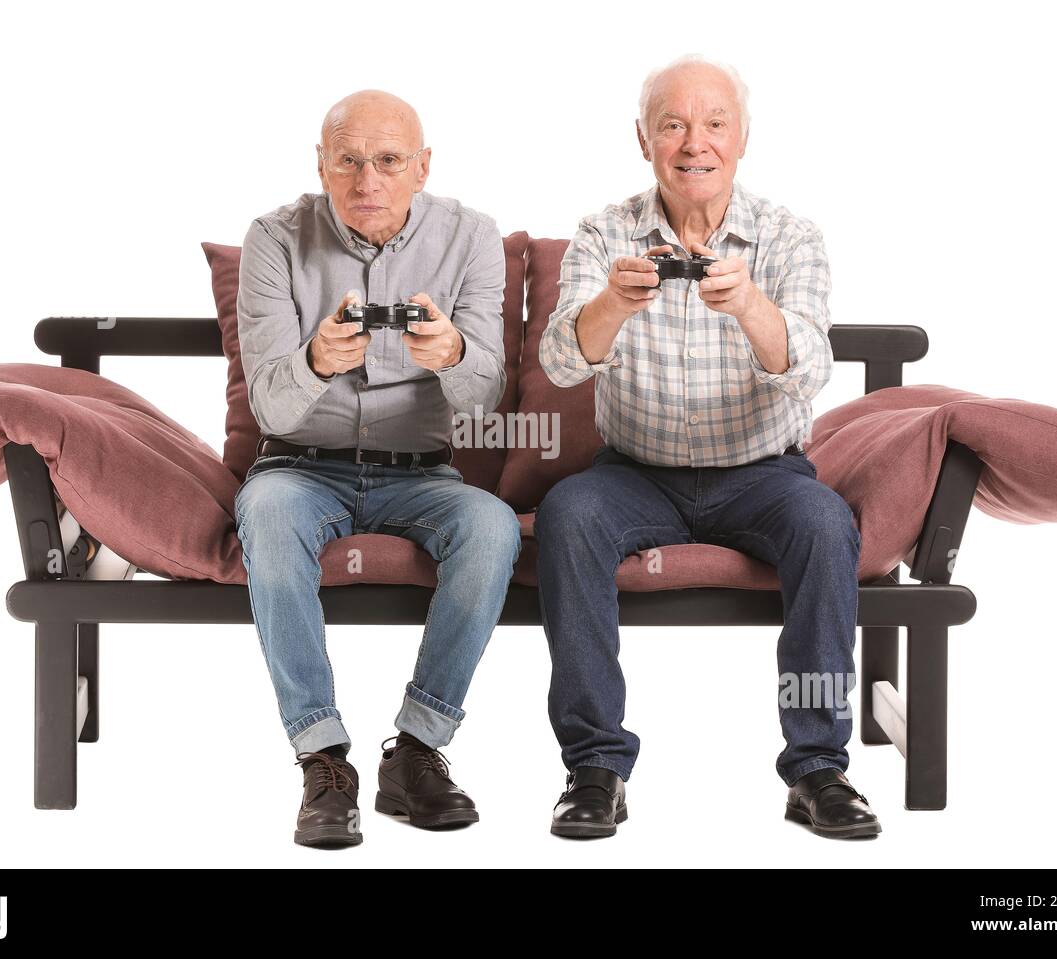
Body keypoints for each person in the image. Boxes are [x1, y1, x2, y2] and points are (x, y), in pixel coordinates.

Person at [536, 56, 880, 840]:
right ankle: (594, 767)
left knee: (827, 526)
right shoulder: (604, 233)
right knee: (568, 515)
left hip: (763, 473)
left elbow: (812, 372)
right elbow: (560, 361)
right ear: (643, 139)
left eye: (714, 123)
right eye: (673, 124)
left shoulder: (790, 236)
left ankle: (819, 766)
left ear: (743, 137)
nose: (695, 143)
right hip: (636, 475)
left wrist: (753, 306)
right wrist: (612, 306)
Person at [234, 89, 520, 847]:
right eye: (350, 162)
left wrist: (453, 356)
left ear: (422, 167)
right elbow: (269, 405)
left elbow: (487, 399)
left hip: (421, 473)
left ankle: (419, 750)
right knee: (265, 514)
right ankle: (322, 759)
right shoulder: (273, 238)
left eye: (389, 161)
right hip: (299, 466)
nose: (368, 182)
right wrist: (315, 361)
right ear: (321, 164)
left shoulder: (472, 237)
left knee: (492, 528)